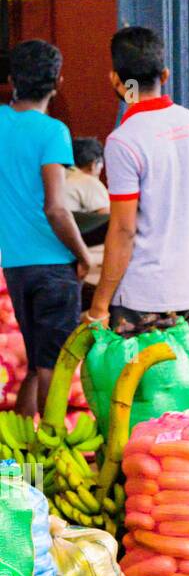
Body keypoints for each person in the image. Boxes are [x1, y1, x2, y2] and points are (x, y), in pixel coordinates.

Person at [87, 26, 189, 335]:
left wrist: (99, 305)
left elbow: (124, 229)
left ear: (115, 80)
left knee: (131, 381)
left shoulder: (124, 141)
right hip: (186, 289)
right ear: (165, 75)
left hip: (140, 296)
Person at [0, 40, 91, 416]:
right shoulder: (53, 132)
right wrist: (82, 255)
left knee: (38, 361)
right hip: (53, 266)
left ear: (11, 80)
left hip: (16, 265)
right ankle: (51, 454)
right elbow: (56, 208)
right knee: (54, 364)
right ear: (58, 81)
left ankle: (17, 450)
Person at [65, 138, 110, 218]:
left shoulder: (59, 177)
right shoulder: (88, 181)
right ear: (93, 164)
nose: (102, 166)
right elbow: (106, 216)